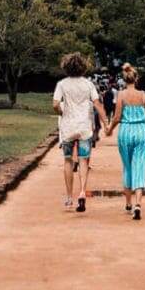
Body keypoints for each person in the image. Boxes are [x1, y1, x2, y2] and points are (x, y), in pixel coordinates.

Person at [52, 52, 106, 213]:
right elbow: (97, 104)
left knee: (68, 160)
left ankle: (69, 197)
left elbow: (55, 104)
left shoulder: (62, 84)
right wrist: (106, 122)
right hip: (84, 127)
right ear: (82, 67)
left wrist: (62, 112)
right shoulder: (88, 84)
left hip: (68, 127)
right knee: (84, 161)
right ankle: (82, 191)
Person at [107, 63, 145, 221]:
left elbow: (117, 117)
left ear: (124, 79)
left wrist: (110, 128)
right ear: (136, 78)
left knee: (127, 166)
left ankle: (128, 203)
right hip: (141, 131)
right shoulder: (143, 95)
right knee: (139, 166)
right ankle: (138, 204)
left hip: (126, 132)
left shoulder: (121, 95)